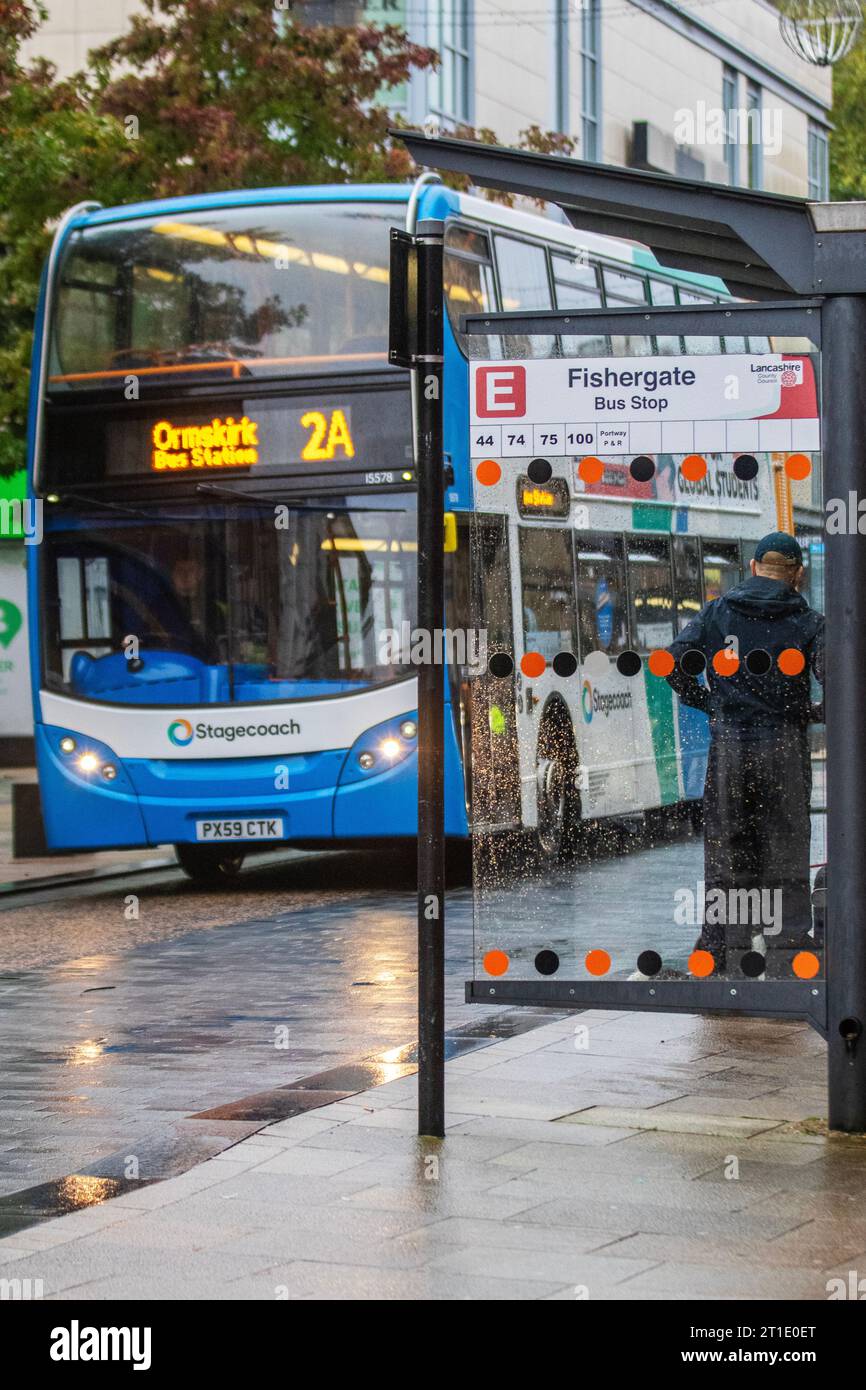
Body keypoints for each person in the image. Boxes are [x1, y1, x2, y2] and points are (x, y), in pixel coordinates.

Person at [665, 532, 824, 973]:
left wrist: (709, 702)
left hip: (731, 748)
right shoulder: (809, 620)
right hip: (784, 749)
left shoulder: (718, 613)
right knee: (786, 844)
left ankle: (723, 948)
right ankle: (788, 948)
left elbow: (673, 662)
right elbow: (839, 677)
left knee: (726, 847)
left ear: (753, 569)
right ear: (797, 575)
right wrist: (810, 710)